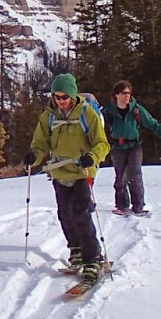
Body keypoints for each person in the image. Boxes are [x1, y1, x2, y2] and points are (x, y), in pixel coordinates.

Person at [23, 72, 111, 284]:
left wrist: (92, 157)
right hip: (59, 171)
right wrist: (33, 156)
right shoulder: (48, 117)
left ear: (72, 95)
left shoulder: (86, 114)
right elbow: (40, 143)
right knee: (65, 214)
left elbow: (102, 143)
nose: (61, 101)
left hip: (82, 170)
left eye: (64, 97)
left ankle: (93, 259)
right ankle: (76, 250)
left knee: (81, 213)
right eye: (57, 97)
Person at [100, 80, 161, 216]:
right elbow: (98, 126)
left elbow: (152, 124)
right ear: (116, 95)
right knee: (120, 176)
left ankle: (138, 206)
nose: (127, 96)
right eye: (124, 93)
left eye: (128, 93)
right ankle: (122, 206)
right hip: (117, 146)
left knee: (135, 174)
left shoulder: (137, 109)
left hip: (134, 146)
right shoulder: (109, 111)